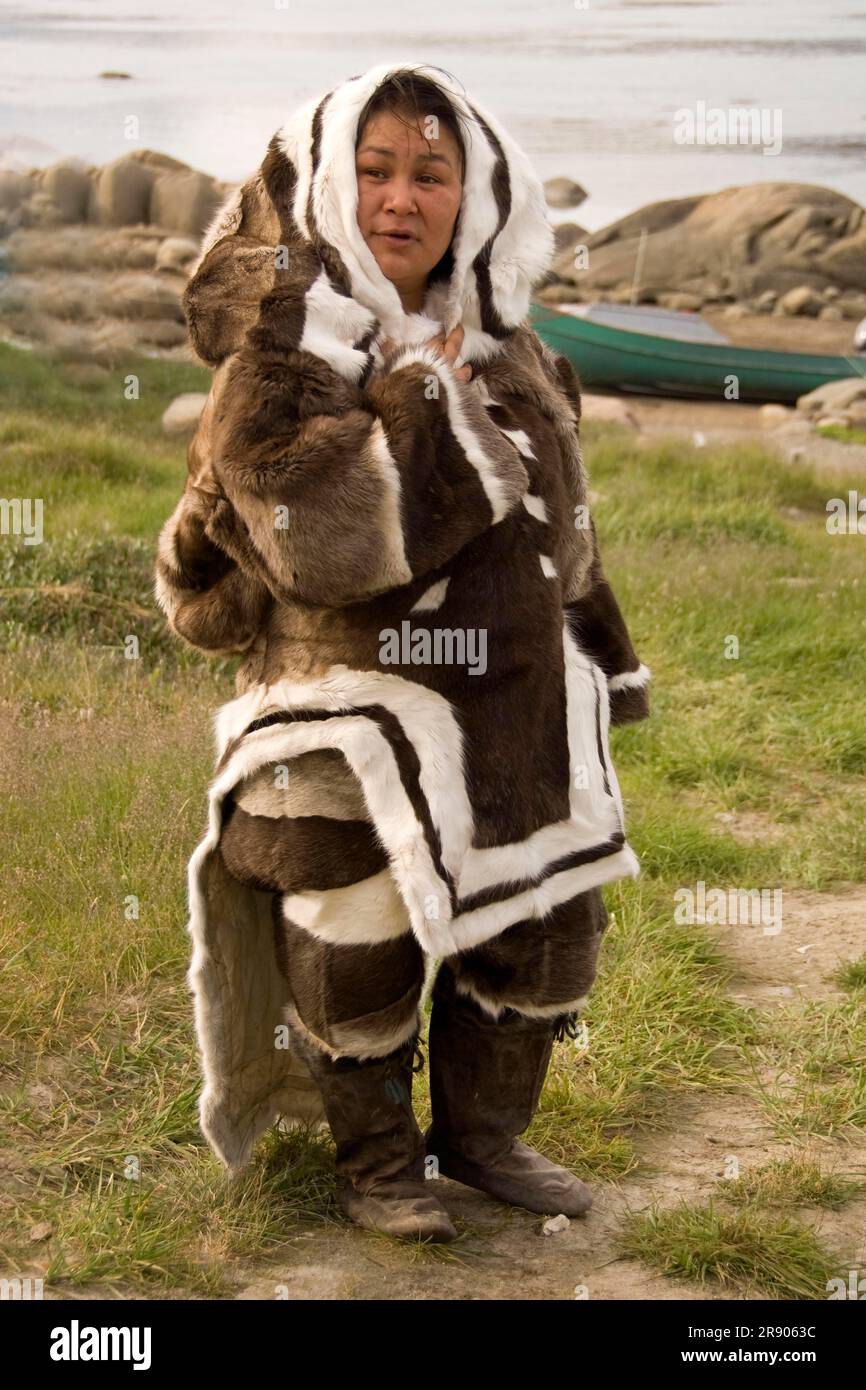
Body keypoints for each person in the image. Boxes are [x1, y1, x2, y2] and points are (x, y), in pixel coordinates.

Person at [154, 62, 651, 1244]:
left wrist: (593, 645)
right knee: (355, 927)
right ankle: (377, 1161)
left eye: (431, 172)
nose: (400, 197)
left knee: (541, 923)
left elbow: (561, 521)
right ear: (330, 186)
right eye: (373, 169)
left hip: (507, 694)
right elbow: (317, 538)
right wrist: (430, 403)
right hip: (340, 703)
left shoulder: (515, 343)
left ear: (470, 196)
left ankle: (481, 1139)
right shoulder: (275, 359)